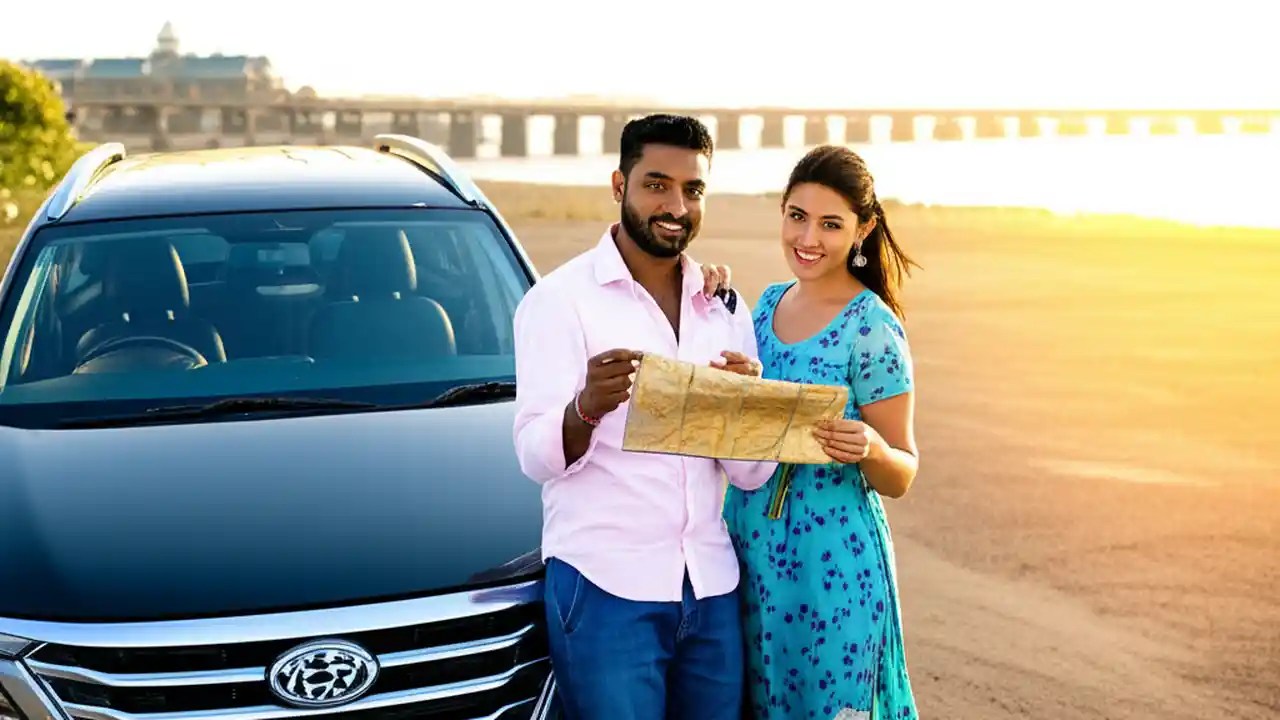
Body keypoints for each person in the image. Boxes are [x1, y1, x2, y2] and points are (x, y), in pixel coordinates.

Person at [510, 114, 777, 720]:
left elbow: (751, 475)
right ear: (619, 184)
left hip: (709, 585)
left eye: (693, 189)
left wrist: (745, 409)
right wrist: (584, 409)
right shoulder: (558, 301)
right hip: (606, 588)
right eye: (656, 184)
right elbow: (533, 456)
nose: (675, 205)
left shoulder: (722, 307)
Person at [719, 144, 922, 719]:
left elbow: (903, 471)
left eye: (831, 224)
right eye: (797, 217)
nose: (808, 238)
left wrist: (872, 447)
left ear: (863, 230)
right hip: (751, 550)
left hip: (830, 561)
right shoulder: (765, 304)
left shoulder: (873, 328)